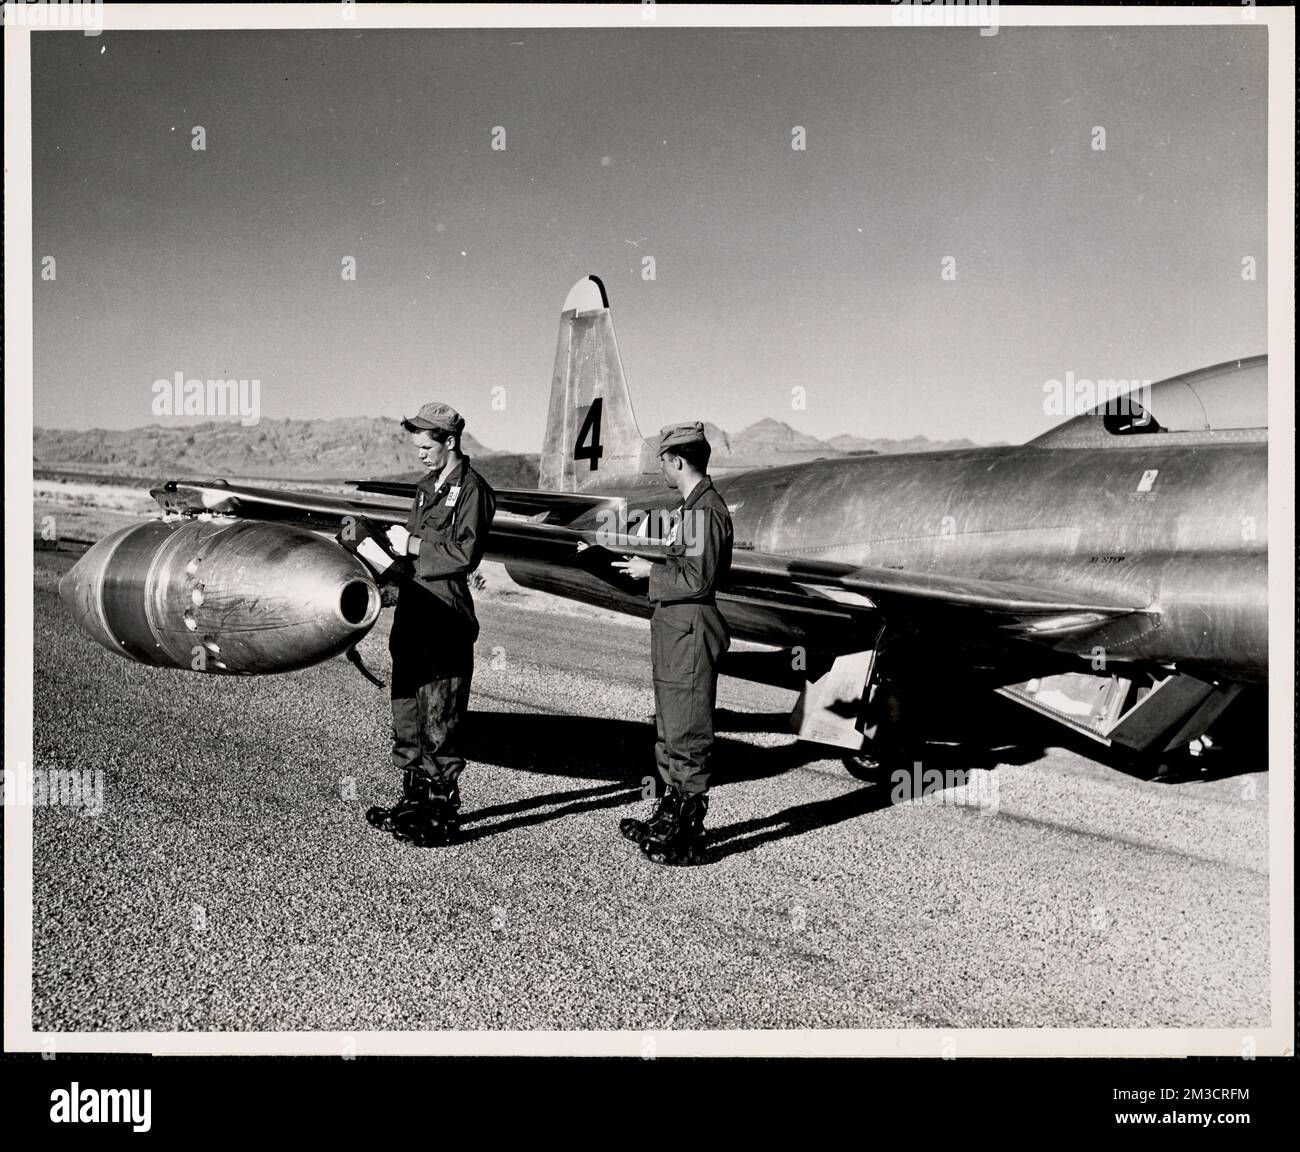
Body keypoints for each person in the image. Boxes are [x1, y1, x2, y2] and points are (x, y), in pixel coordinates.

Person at [362, 401, 496, 846]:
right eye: (416, 446)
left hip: (444, 615)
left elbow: (462, 555)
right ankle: (414, 799)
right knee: (409, 711)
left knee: (440, 714)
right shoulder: (424, 488)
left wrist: (413, 542)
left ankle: (441, 812)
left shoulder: (474, 490)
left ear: (450, 441)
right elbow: (409, 555)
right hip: (414, 611)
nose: (420, 454)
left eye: (427, 446)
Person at [613, 422, 733, 866]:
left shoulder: (705, 511)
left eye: (662, 461)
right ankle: (668, 814)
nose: (660, 468)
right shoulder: (690, 508)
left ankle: (689, 831)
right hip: (675, 628)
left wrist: (650, 574)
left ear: (677, 461)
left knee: (688, 729)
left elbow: (698, 579)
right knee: (669, 727)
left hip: (691, 629)